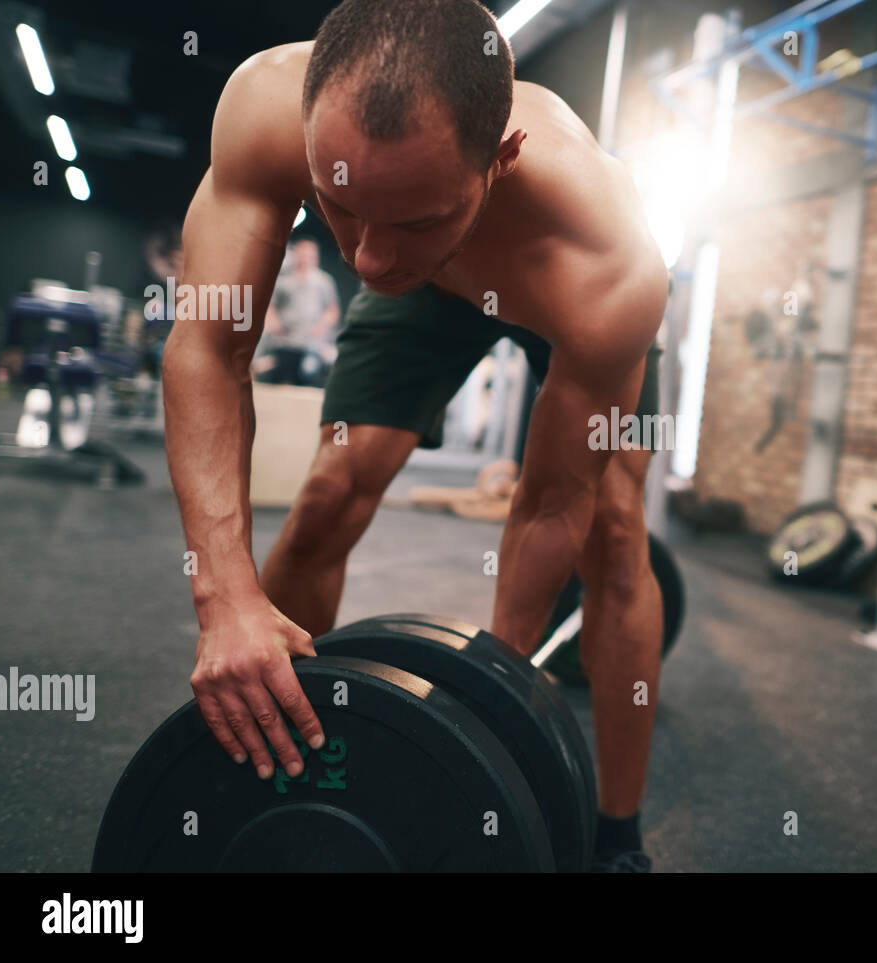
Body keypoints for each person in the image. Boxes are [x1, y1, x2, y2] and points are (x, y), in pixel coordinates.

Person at [161, 0, 668, 871]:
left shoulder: (608, 260)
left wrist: (494, 728)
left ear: (501, 160)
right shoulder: (268, 109)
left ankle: (618, 835)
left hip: (538, 276)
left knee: (615, 529)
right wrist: (226, 600)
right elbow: (209, 347)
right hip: (440, 277)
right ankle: (264, 752)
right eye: (336, 208)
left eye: (411, 222)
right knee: (326, 495)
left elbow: (550, 500)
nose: (367, 262)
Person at [253, 237, 342, 385]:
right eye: (302, 254)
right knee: (282, 380)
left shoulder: (324, 281)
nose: (305, 258)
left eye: (309, 255)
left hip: (312, 345)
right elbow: (270, 306)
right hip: (285, 342)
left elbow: (332, 310)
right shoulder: (283, 281)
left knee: (310, 379)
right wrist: (274, 324)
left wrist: (321, 326)